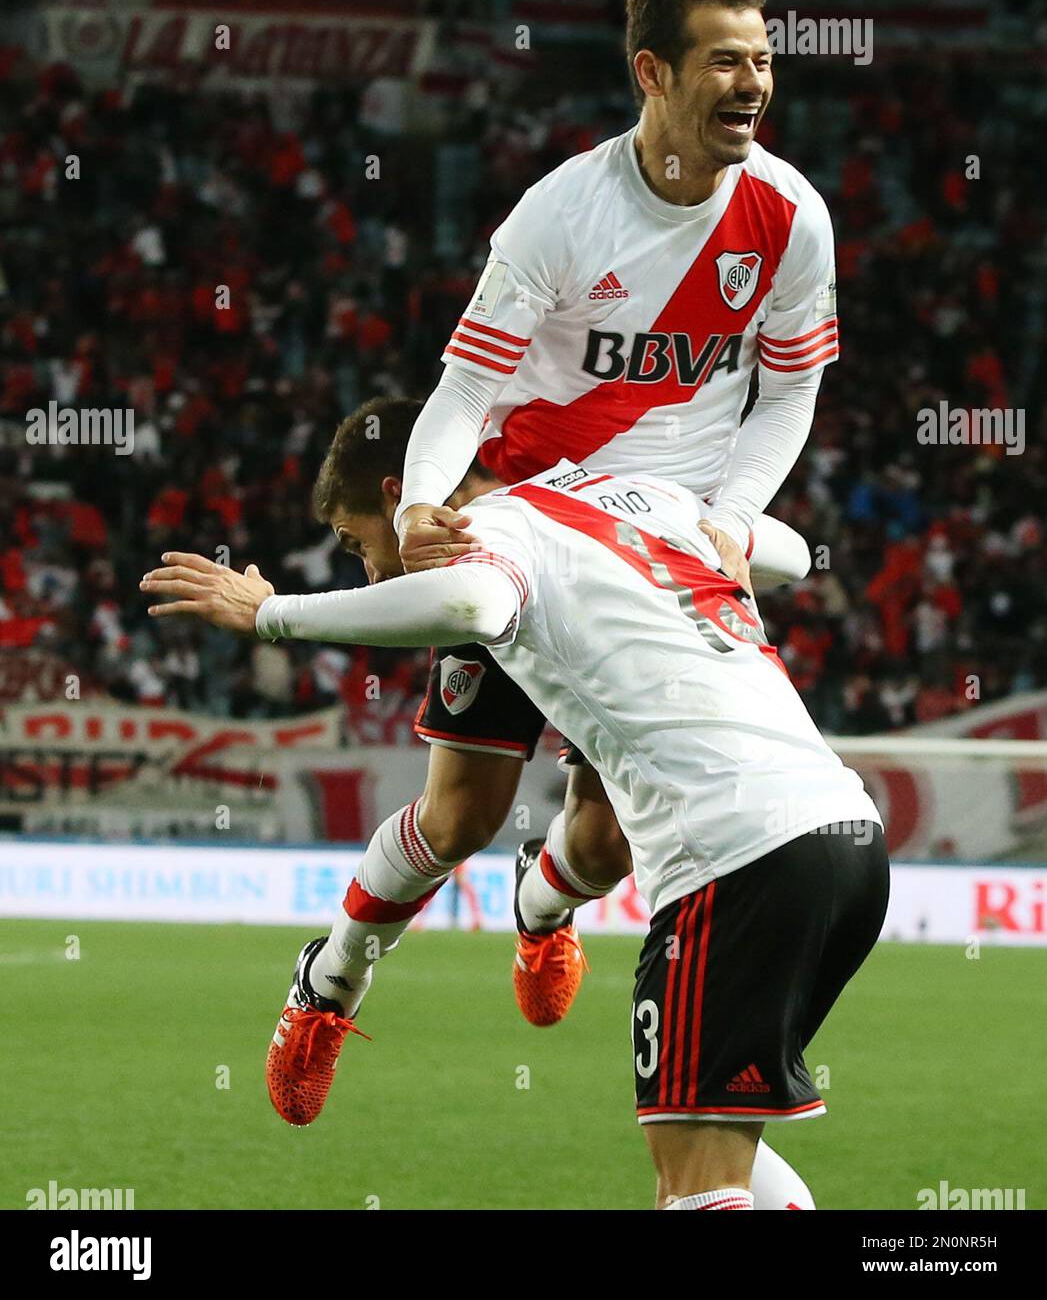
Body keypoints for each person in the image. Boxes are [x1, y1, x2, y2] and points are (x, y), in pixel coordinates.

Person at [141, 419, 888, 1213]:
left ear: (403, 496)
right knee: (720, 1135)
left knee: (696, 1185)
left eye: (355, 542)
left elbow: (468, 597)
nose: (362, 567)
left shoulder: (494, 528)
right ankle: (336, 980)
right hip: (845, 838)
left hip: (734, 861)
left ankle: (500, 915)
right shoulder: (643, 494)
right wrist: (718, 525)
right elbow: (789, 554)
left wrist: (270, 613)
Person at [393, 0, 841, 1020]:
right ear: (653, 72)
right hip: (530, 525)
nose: (754, 83)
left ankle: (541, 910)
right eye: (726, 60)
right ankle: (329, 979)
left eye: (764, 60)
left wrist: (732, 518)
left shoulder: (791, 218)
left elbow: (786, 396)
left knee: (604, 840)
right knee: (456, 818)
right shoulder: (559, 214)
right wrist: (420, 499)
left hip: (662, 546)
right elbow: (463, 390)